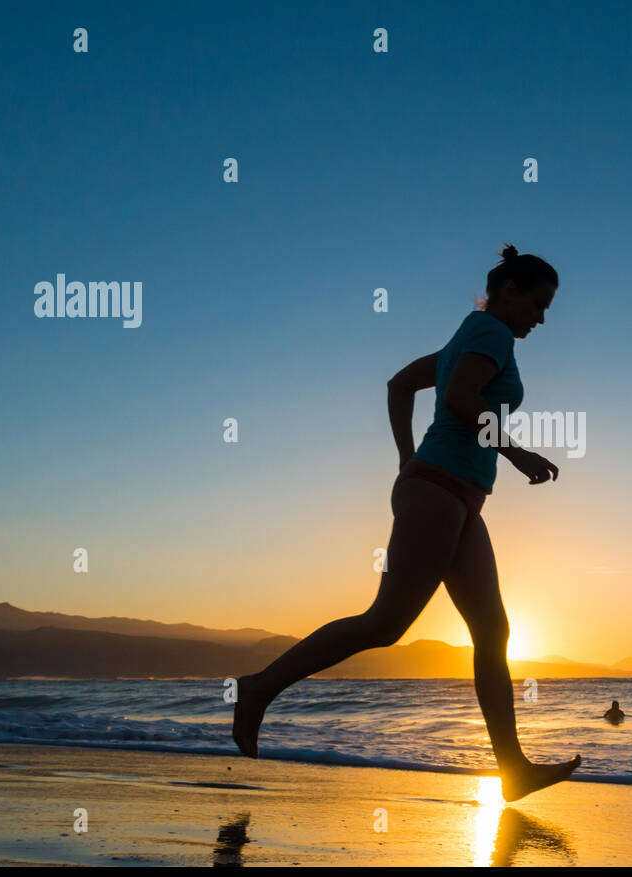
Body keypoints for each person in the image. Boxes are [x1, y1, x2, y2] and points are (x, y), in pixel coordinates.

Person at [231, 243, 581, 802]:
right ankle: (257, 688)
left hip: (454, 496)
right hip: (438, 492)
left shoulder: (463, 338)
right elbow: (464, 400)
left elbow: (398, 384)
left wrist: (403, 458)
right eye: (539, 304)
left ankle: (512, 768)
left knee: (493, 632)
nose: (541, 318)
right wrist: (514, 453)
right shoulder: (489, 333)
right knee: (385, 624)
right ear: (510, 291)